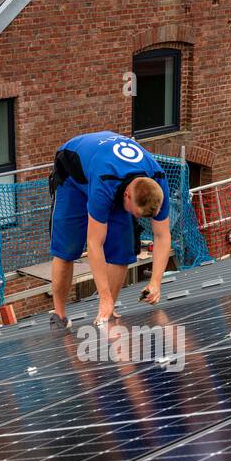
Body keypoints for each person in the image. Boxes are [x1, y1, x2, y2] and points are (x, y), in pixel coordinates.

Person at [48, 131, 172, 326]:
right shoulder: (104, 186)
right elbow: (94, 244)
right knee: (67, 249)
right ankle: (59, 315)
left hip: (112, 172)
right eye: (137, 214)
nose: (134, 217)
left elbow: (162, 235)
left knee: (122, 251)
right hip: (73, 173)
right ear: (128, 197)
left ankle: (108, 311)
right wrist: (102, 296)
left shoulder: (158, 180)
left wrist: (156, 281)